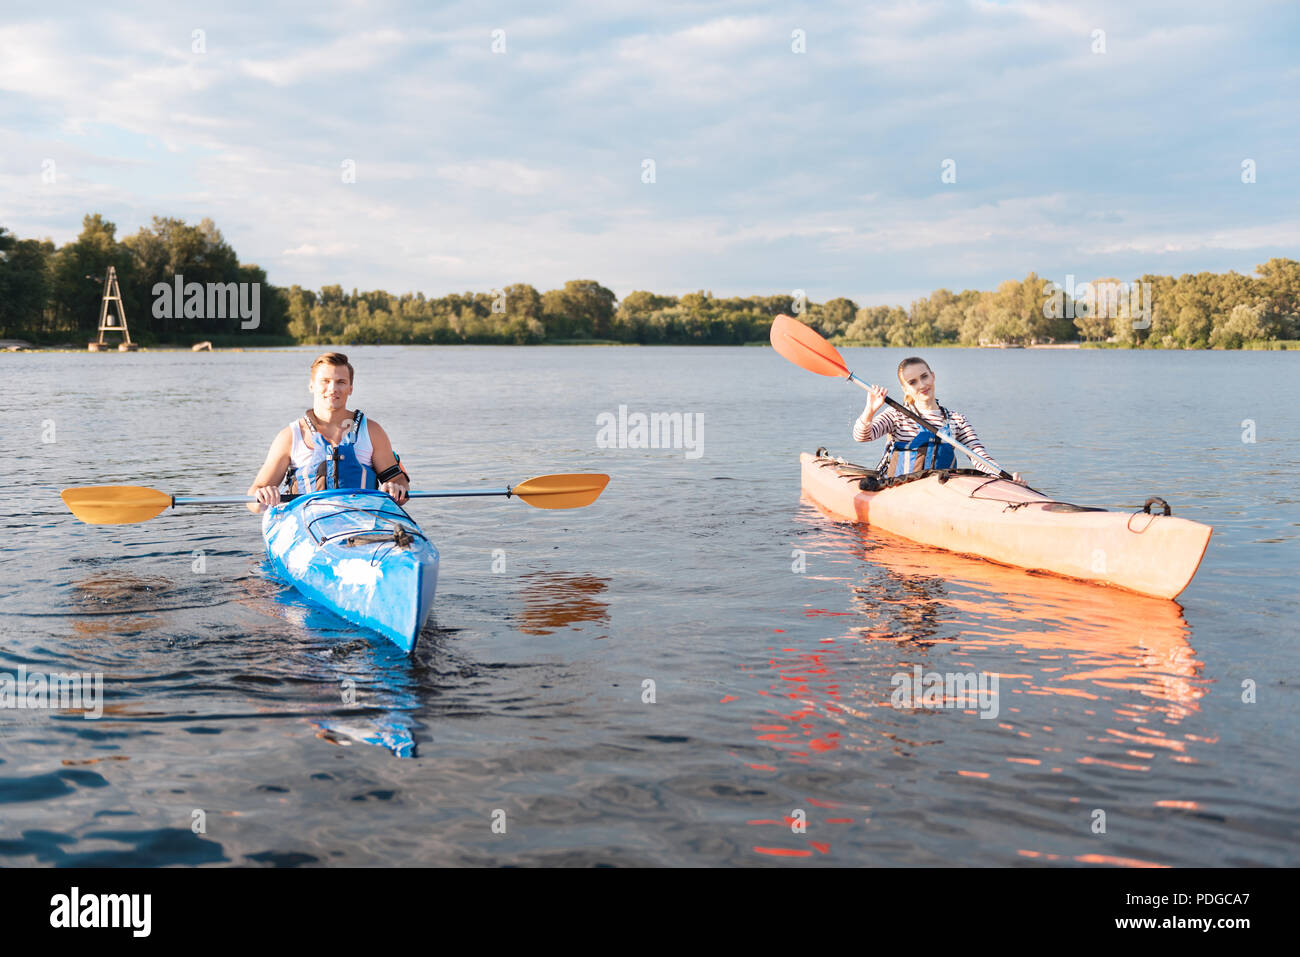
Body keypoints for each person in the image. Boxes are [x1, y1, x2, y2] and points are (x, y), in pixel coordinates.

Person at [246, 352, 410, 513]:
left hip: (363, 521)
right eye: (325, 381)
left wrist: (397, 488)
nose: (333, 389)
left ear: (350, 388)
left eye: (341, 382)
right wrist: (261, 496)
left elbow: (399, 481)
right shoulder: (290, 436)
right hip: (309, 524)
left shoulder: (373, 432)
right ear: (312, 386)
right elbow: (253, 501)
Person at [854, 356, 1024, 483]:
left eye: (924, 376)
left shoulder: (957, 420)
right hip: (901, 490)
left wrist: (1006, 477)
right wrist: (869, 411)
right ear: (905, 389)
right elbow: (862, 436)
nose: (921, 385)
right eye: (912, 382)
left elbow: (979, 456)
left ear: (933, 376)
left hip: (941, 494)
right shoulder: (896, 415)